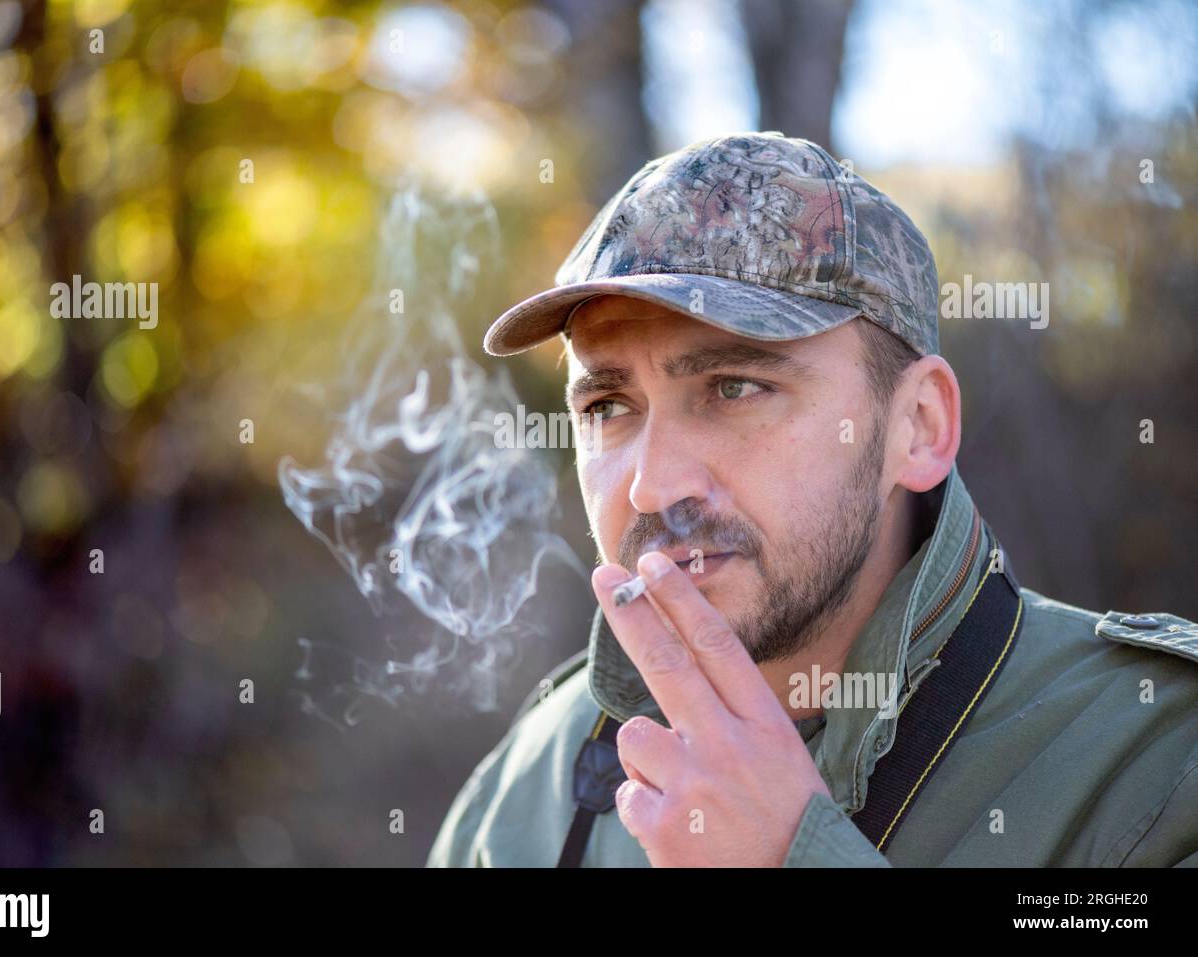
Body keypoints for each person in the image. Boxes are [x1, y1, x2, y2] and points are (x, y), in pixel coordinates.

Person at [426, 132, 1198, 867]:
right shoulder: (529, 784)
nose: (652, 485)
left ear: (919, 427)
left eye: (735, 387)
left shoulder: (1157, 756)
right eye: (608, 407)